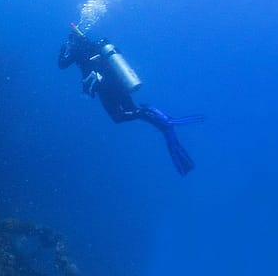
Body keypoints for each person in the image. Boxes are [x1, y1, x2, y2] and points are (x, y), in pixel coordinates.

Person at [58, 24, 204, 176]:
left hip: (105, 88)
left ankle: (146, 112)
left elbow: (61, 64)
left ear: (74, 40)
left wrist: (63, 50)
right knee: (132, 110)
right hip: (120, 82)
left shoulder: (77, 49)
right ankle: (160, 120)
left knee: (118, 117)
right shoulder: (96, 46)